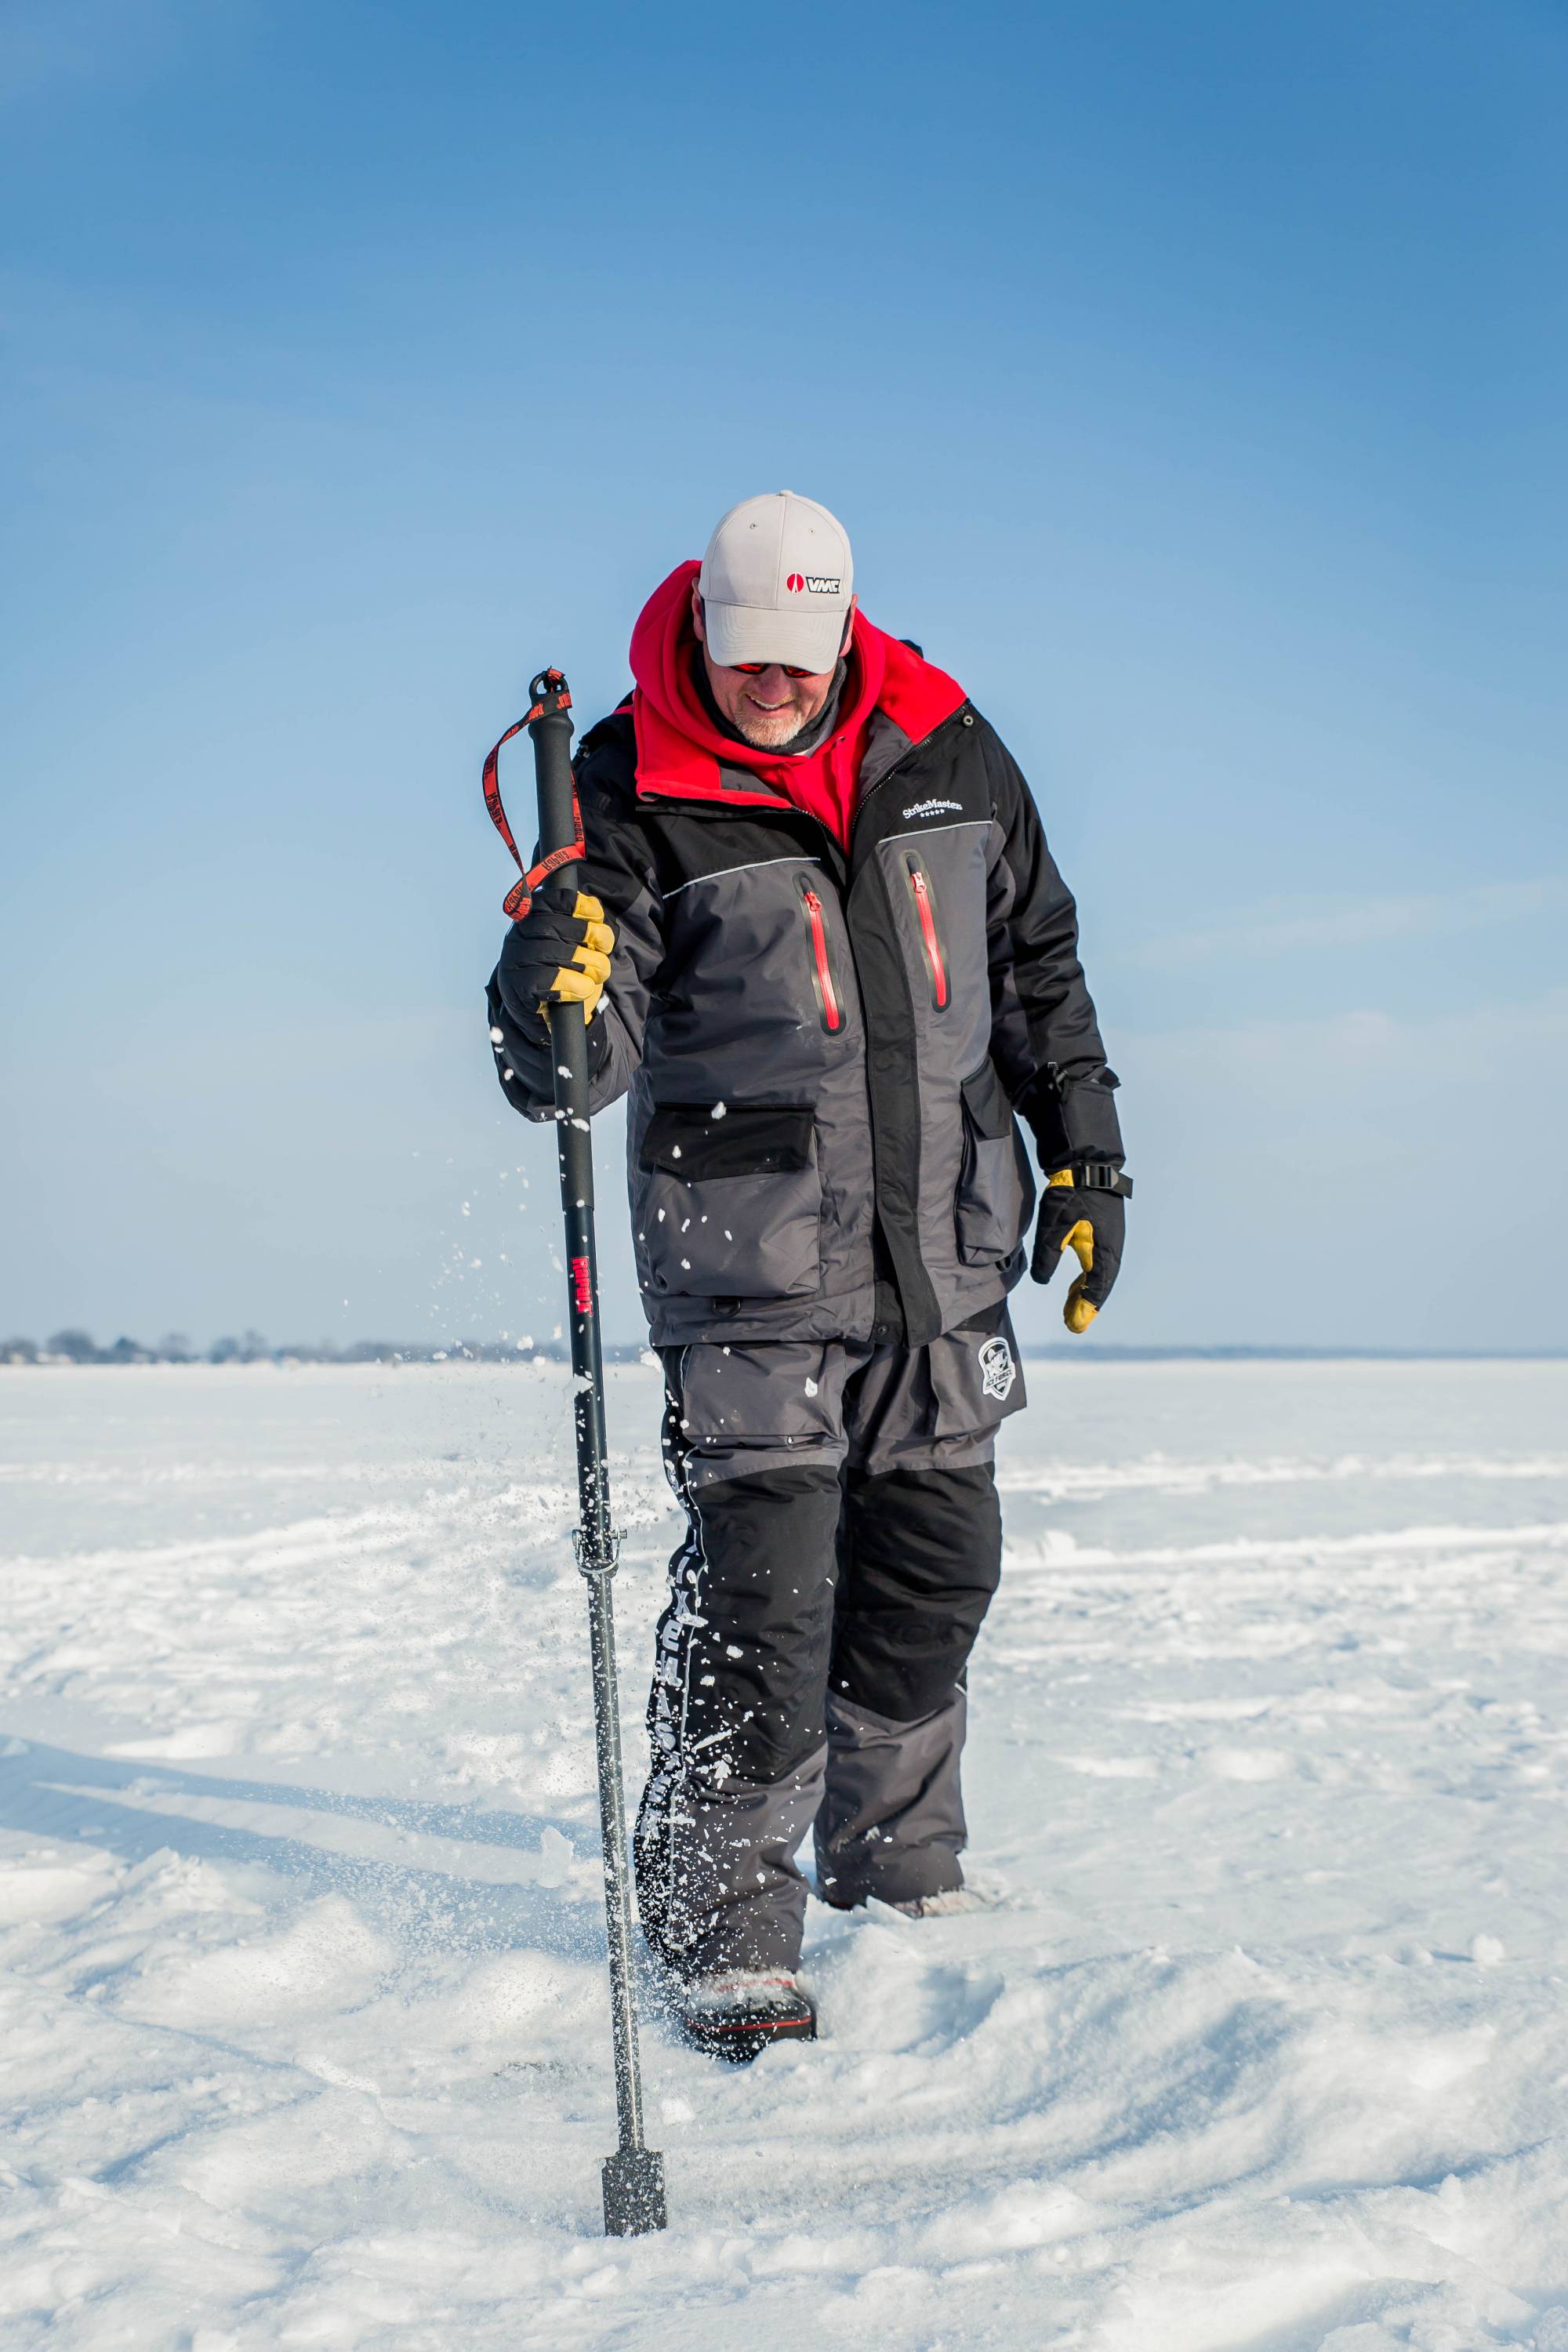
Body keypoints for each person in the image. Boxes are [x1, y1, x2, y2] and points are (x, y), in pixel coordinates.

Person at [487, 492, 1131, 2060]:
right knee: (769, 1610)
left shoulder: (949, 750)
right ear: (705, 628)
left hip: (945, 1257)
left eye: (800, 655)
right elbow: (583, 1026)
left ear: (846, 628)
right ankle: (722, 1927)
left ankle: (899, 1870)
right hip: (751, 1264)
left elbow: (1036, 961)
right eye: (744, 654)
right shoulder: (631, 785)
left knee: (934, 1575)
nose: (772, 685)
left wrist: (1089, 1159)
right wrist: (546, 1003)